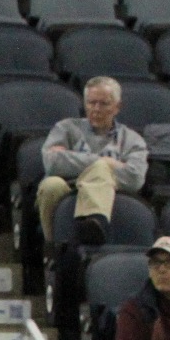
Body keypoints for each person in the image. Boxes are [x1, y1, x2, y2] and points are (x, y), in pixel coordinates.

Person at [34, 76, 147, 246]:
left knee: (101, 170)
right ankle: (53, 247)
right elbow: (52, 162)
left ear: (117, 107)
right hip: (66, 188)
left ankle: (94, 225)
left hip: (111, 195)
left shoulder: (132, 140)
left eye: (104, 104)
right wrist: (107, 162)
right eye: (91, 103)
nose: (96, 109)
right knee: (51, 185)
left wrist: (73, 159)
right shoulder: (65, 128)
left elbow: (135, 178)